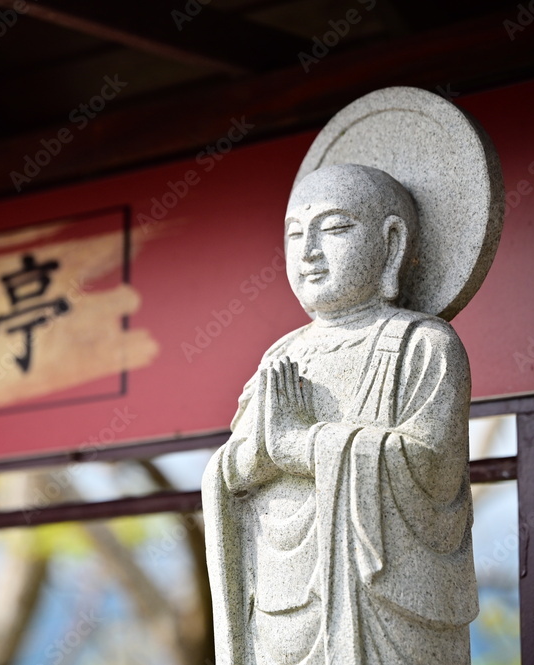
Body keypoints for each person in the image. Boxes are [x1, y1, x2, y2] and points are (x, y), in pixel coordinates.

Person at [203, 164, 478, 665]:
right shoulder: (280, 356)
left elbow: (433, 463)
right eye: (294, 234)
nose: (308, 250)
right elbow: (234, 469)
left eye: (332, 228)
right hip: (280, 602)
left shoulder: (423, 346)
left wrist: (300, 445)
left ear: (392, 243)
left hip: (384, 604)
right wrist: (258, 458)